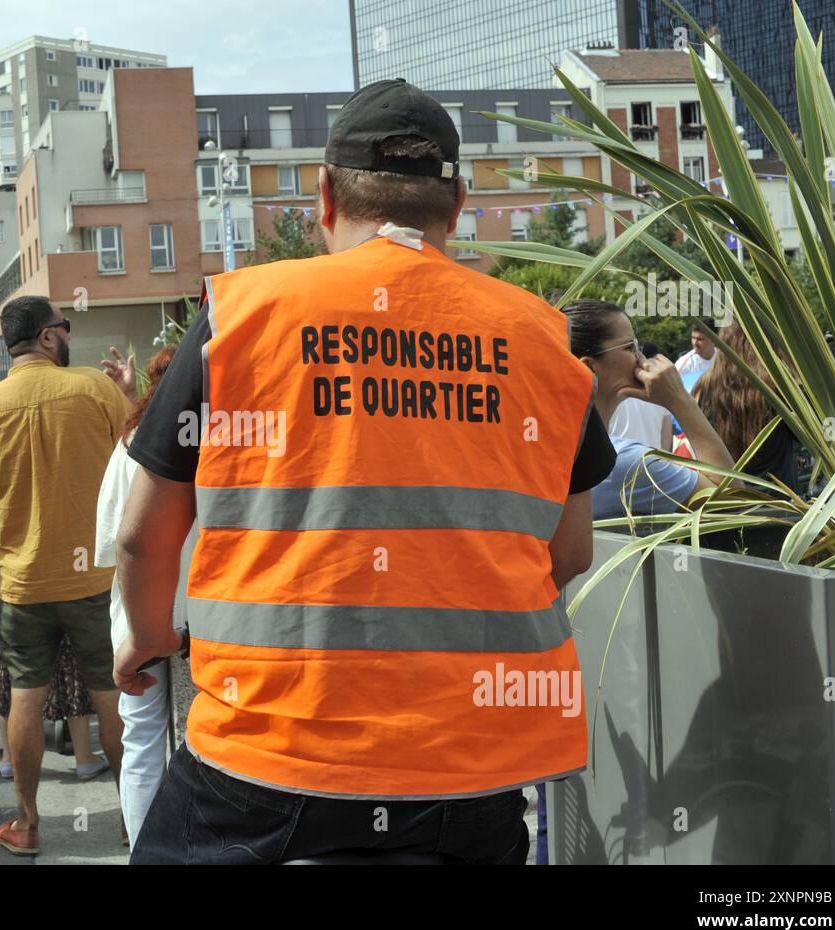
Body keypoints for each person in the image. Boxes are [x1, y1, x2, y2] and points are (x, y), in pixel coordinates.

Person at [115, 79, 617, 864]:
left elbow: (144, 537)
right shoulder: (543, 341)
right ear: (456, 205)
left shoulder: (241, 314)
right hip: (471, 767)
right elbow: (572, 551)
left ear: (321, 196)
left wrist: (147, 639)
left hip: (265, 757)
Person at [0, 296, 133, 857]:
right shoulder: (93, 388)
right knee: (111, 694)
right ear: (49, 337)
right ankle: (135, 816)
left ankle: (28, 823)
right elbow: (137, 451)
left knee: (26, 698)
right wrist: (127, 392)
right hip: (96, 580)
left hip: (23, 582)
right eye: (66, 325)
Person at [94, 345, 187, 847]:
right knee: (198, 743)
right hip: (203, 614)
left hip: (139, 615)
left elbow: (114, 538)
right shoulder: (229, 434)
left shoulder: (134, 439)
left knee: (143, 742)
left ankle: (143, 851)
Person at [562, 300, 738, 521]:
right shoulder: (626, 463)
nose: (641, 358)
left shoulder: (554, 446)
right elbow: (733, 499)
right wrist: (681, 401)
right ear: (587, 367)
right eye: (629, 348)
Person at [693, 325, 810, 497]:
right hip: (781, 503)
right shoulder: (780, 389)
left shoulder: (703, 389)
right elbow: (821, 437)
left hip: (729, 502)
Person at [607, 341, 673, 450]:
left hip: (619, 460)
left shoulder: (615, 389)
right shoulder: (664, 392)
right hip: (653, 461)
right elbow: (666, 435)